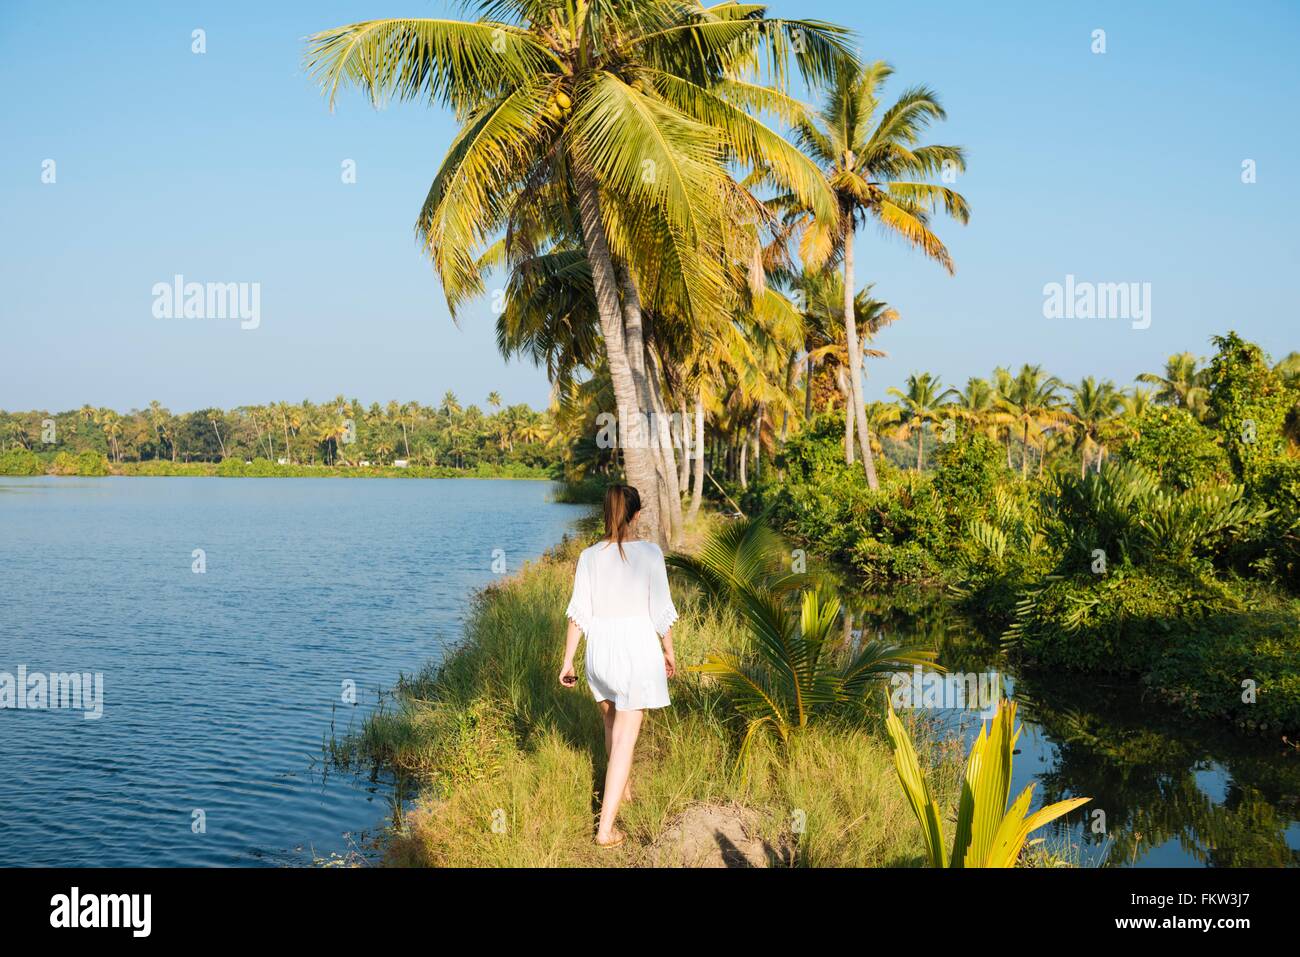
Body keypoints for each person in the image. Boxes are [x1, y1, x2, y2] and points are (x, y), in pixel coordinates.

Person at [559, 484, 678, 848]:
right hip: (635, 650)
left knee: (611, 721)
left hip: (599, 651)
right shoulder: (650, 553)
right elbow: (660, 610)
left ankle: (623, 789)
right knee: (626, 737)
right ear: (636, 515)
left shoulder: (589, 556)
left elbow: (579, 613)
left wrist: (567, 661)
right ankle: (605, 830)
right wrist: (668, 651)